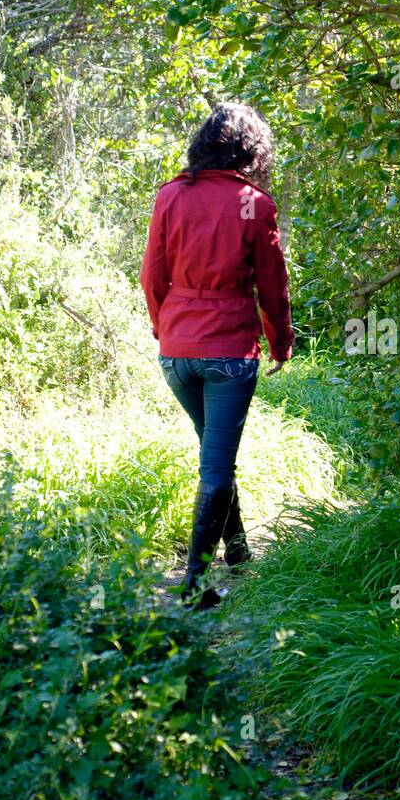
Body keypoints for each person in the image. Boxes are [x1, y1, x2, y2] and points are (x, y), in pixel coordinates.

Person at [140, 101, 294, 608]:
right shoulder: (255, 203)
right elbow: (272, 286)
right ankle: (193, 586)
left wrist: (168, 331)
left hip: (178, 350)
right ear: (252, 150)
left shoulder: (170, 196)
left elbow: (151, 278)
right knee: (217, 465)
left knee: (214, 451)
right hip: (229, 349)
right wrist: (281, 339)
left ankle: (240, 550)